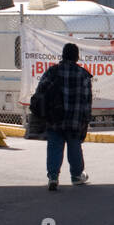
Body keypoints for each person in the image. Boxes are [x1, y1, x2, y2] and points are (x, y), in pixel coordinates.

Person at [34, 42, 93, 190]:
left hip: (55, 117)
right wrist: (86, 119)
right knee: (75, 146)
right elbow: (87, 100)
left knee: (54, 146)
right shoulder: (83, 75)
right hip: (75, 119)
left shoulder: (52, 71)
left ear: (63, 55)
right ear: (77, 57)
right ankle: (76, 176)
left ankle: (53, 177)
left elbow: (40, 91)